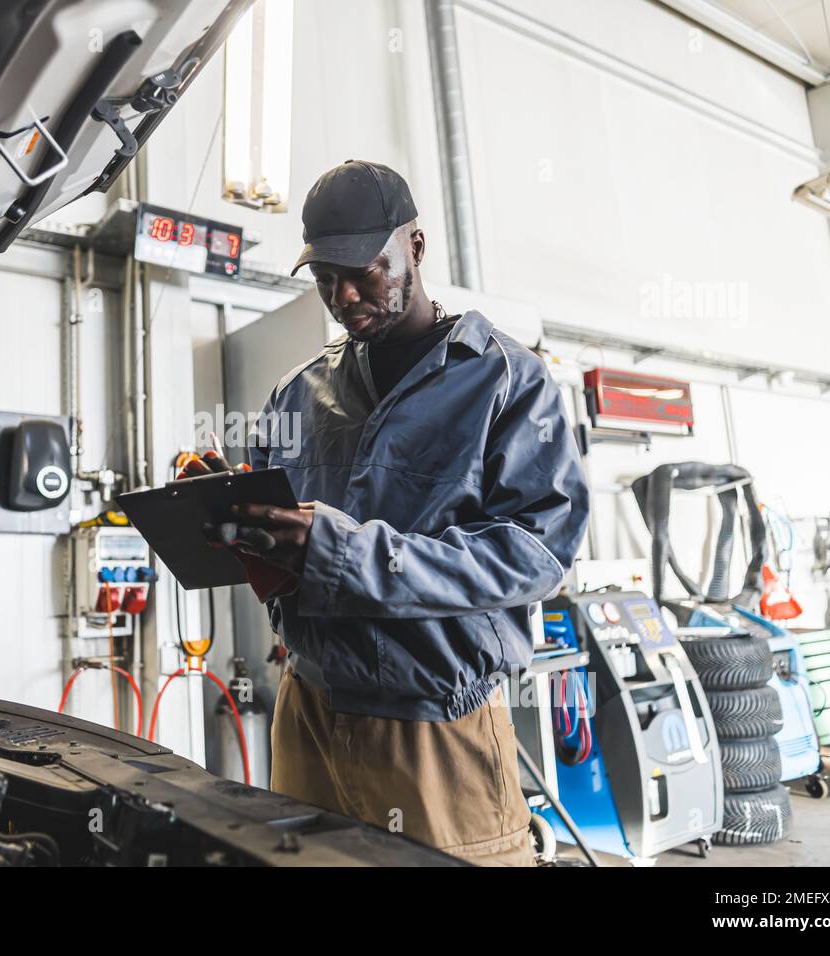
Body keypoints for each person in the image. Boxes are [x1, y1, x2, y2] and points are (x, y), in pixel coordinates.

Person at [183, 160, 589, 865]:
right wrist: (224, 508)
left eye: (362, 270)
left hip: (434, 729)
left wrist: (340, 551)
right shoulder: (296, 395)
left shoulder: (507, 379)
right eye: (323, 277)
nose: (342, 294)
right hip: (306, 709)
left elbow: (536, 553)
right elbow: (281, 548)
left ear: (416, 248)